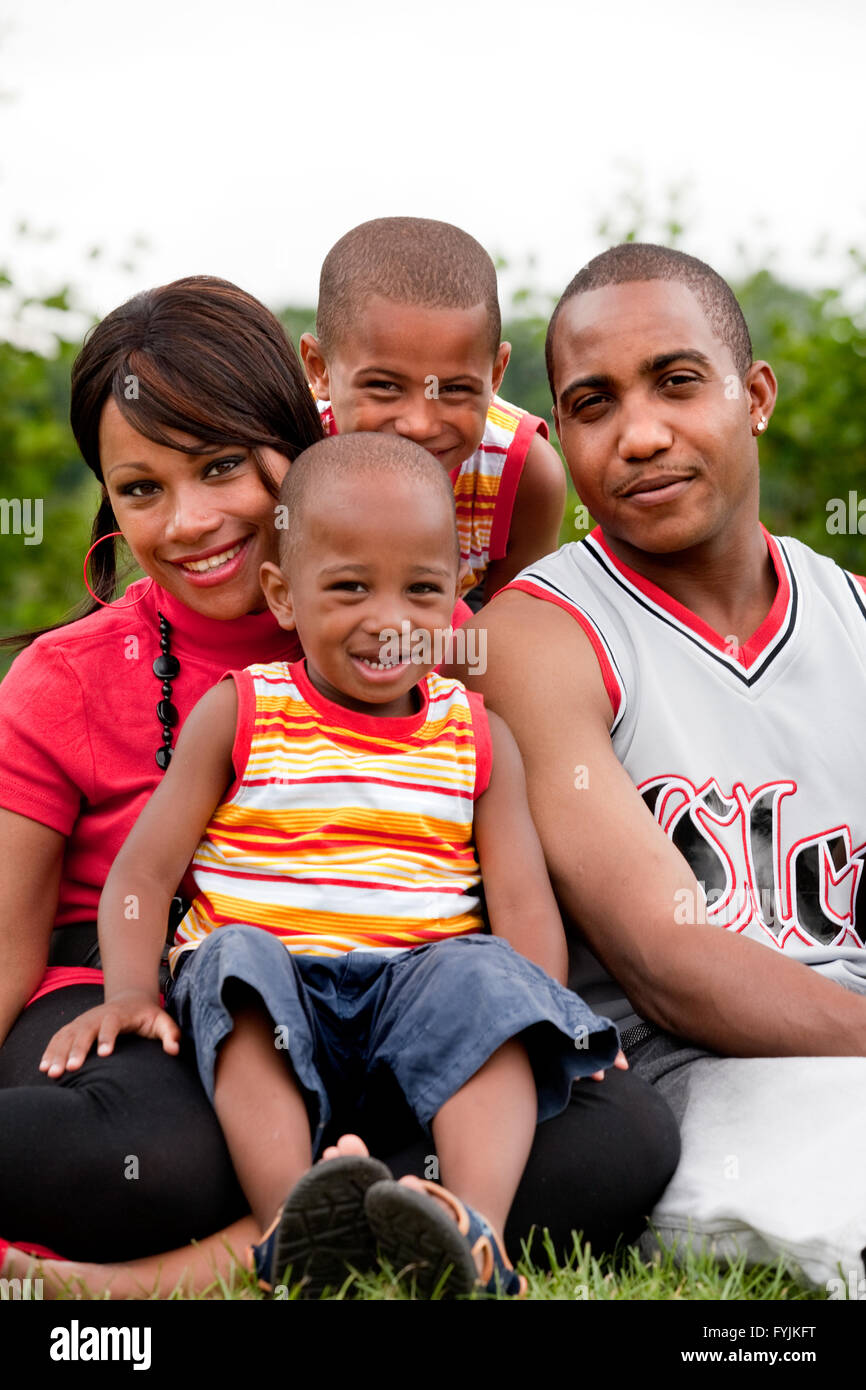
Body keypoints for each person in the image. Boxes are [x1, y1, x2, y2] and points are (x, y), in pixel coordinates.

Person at [0, 272, 679, 1298]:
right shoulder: (75, 678)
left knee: (615, 1136)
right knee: (155, 1151)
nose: (190, 520)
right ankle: (259, 1232)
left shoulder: (402, 642)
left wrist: (538, 1016)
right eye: (141, 488)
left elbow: (510, 895)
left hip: (406, 997)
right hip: (165, 1012)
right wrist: (126, 998)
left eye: (222, 465)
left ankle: (392, 1220)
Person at [449, 241, 866, 1288]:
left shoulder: (853, 615)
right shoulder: (540, 635)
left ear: (754, 393)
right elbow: (668, 965)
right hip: (703, 1084)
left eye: (676, 382)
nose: (638, 435)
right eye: (591, 405)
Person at [299, 216, 567, 605]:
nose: (420, 426)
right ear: (319, 369)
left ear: (494, 375)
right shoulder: (291, 444)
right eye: (384, 387)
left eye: (455, 389)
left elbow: (514, 631)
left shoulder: (521, 472)